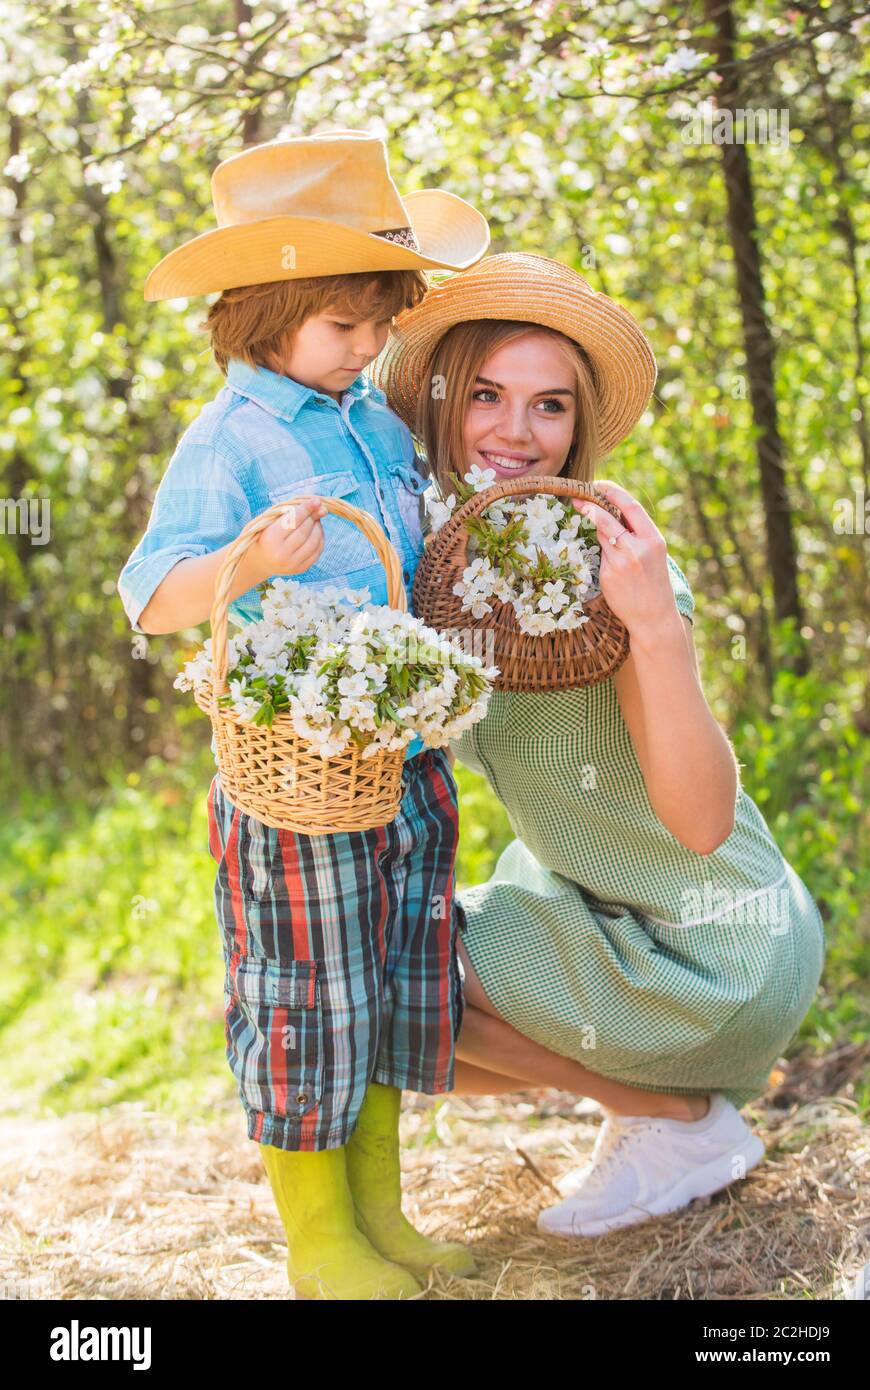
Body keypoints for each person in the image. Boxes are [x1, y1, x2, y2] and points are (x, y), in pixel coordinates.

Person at [375, 250, 826, 1238]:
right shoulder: (440, 568)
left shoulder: (605, 565)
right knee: (372, 1008)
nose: (514, 431)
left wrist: (653, 625)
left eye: (550, 406)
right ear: (443, 400)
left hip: (718, 954)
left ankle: (673, 1116)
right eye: (487, 393)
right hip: (614, 919)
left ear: (578, 428)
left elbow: (703, 823)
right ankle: (659, 1119)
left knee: (386, 963)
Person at [117, 131, 490, 1297]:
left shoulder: (370, 419)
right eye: (347, 325)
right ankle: (319, 1239)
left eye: (382, 320)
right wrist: (241, 559)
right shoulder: (230, 440)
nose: (372, 346)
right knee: (301, 998)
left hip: (401, 761)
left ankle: (382, 1213)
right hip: (297, 784)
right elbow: (152, 596)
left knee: (390, 980)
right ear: (264, 313)